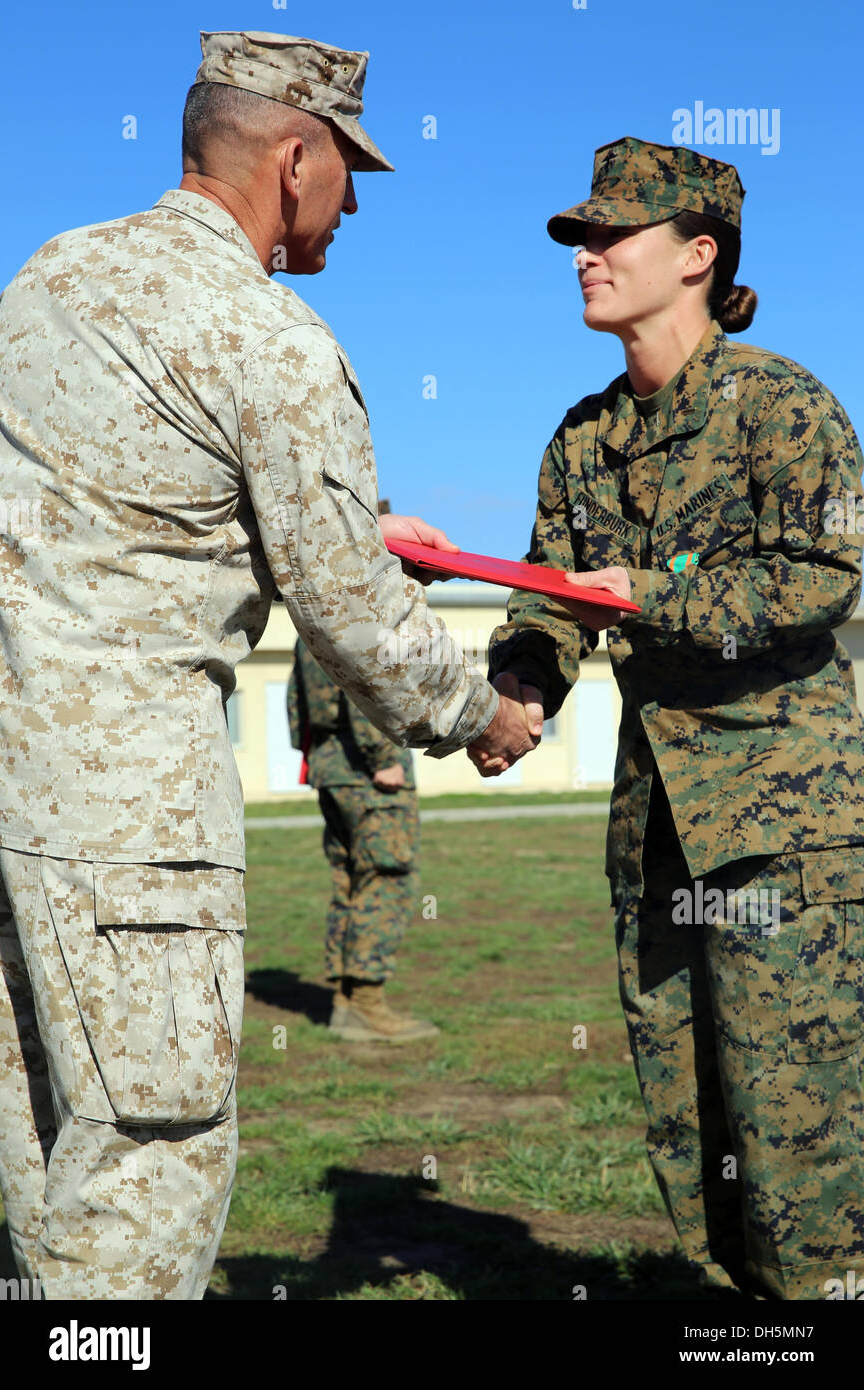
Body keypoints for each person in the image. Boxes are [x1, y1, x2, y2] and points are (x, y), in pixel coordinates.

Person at [0, 29, 537, 1300]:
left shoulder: (43, 285)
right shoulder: (267, 334)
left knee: (37, 1150)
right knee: (145, 1158)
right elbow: (353, 614)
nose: (354, 204)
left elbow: (127, 504)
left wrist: (341, 524)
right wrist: (482, 714)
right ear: (293, 159)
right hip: (124, 812)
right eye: (352, 169)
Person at [482, 136, 864, 1300]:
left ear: (697, 254)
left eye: (612, 234)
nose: (587, 256)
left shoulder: (780, 404)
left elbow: (827, 572)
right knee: (688, 1120)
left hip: (779, 831)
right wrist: (520, 689)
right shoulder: (581, 438)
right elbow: (552, 599)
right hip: (657, 832)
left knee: (798, 1135)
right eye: (581, 238)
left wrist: (651, 596)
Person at [288, 630, 437, 1042]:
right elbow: (369, 683)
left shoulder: (315, 619)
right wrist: (384, 754)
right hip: (367, 771)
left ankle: (344, 1001)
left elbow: (298, 702)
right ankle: (368, 1005)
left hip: (332, 767)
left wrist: (315, 756)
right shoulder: (363, 610)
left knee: (349, 880)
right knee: (387, 878)